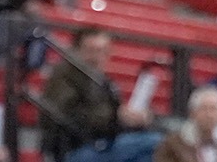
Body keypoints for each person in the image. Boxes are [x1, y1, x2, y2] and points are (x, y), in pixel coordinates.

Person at [39, 29, 158, 162]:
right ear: (76, 50)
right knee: (157, 142)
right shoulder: (65, 76)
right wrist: (116, 116)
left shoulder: (102, 81)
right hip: (75, 147)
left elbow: (113, 115)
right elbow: (67, 115)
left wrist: (136, 118)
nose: (97, 57)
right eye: (91, 50)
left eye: (103, 51)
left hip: (102, 142)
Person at [151, 87, 217, 162]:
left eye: (214, 109)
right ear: (192, 113)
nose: (209, 115)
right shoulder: (173, 144)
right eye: (204, 109)